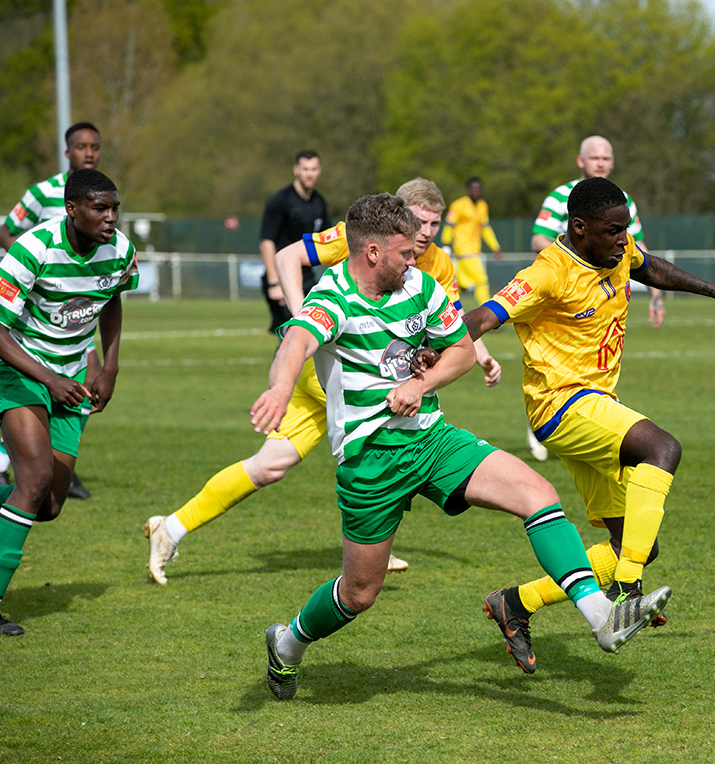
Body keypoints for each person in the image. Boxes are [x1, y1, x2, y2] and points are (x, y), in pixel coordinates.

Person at [249, 193, 667, 698]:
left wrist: (420, 386)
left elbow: (462, 351)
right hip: (371, 461)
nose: (416, 260)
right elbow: (296, 343)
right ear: (374, 252)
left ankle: (601, 617)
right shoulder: (332, 298)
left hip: (434, 440)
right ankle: (288, 642)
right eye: (405, 253)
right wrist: (278, 386)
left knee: (538, 494)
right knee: (360, 593)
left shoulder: (421, 285)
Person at [465, 177, 715, 673]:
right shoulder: (548, 273)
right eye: (612, 231)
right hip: (560, 405)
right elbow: (485, 314)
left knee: (636, 546)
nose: (623, 240)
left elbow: (651, 267)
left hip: (594, 404)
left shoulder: (616, 248)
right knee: (662, 448)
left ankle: (515, 603)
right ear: (579, 228)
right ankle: (626, 592)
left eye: (625, 231)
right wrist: (438, 346)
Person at [143, 178, 502, 584]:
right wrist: (313, 327)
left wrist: (482, 356)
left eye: (435, 224)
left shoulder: (438, 264)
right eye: (419, 222)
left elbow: (452, 329)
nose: (425, 233)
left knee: (269, 465)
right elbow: (287, 257)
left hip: (362, 376)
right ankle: (371, 537)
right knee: (384, 431)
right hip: (341, 375)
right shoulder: (363, 240)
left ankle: (170, 528)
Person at [0, 169, 137, 635]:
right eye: (100, 208)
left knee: (48, 504)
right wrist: (47, 377)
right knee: (31, 481)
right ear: (72, 210)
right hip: (20, 371)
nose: (110, 218)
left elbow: (111, 299)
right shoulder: (33, 249)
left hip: (70, 380)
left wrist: (109, 365)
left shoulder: (121, 250)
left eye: (114, 208)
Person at [524, 135, 663, 461]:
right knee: (554, 365)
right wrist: (575, 272)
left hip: (604, 295)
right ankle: (544, 418)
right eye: (594, 158)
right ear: (581, 161)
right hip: (561, 297)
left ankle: (587, 422)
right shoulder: (561, 196)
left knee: (598, 361)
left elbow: (639, 251)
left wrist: (657, 297)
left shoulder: (623, 199)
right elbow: (538, 238)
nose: (601, 163)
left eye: (606, 158)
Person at [0, 122, 105, 500]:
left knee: (84, 387)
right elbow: (7, 232)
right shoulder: (42, 193)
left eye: (95, 147)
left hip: (77, 312)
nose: (89, 153)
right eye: (81, 146)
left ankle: (55, 470)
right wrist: (31, 271)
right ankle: (7, 466)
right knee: (38, 391)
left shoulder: (100, 193)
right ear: (67, 152)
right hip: (38, 311)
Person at [258, 150, 330, 334]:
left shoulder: (319, 202)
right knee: (293, 335)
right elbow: (267, 242)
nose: (309, 173)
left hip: (306, 276)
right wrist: (275, 284)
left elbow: (329, 239)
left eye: (313, 169)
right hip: (282, 276)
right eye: (305, 169)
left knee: (312, 333)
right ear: (296, 170)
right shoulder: (280, 201)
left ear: (319, 171)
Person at [441, 178, 501, 306]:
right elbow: (449, 225)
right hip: (464, 251)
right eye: (473, 189)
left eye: (479, 189)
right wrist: (445, 244)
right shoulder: (458, 205)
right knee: (481, 281)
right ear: (468, 190)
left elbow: (485, 228)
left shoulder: (483, 206)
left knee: (460, 286)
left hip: (474, 250)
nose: (476, 192)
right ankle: (488, 311)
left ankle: (445, 309)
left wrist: (495, 246)